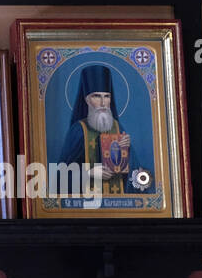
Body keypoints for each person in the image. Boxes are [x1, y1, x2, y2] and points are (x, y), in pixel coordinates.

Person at [58, 64, 148, 195]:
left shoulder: (117, 127)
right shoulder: (78, 130)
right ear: (87, 100)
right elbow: (61, 177)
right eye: (96, 96)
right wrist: (89, 174)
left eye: (106, 96)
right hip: (86, 205)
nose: (103, 103)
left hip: (118, 206)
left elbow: (136, 175)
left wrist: (127, 152)